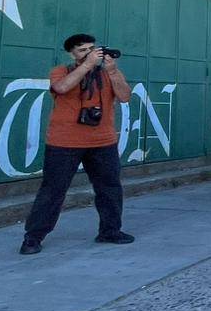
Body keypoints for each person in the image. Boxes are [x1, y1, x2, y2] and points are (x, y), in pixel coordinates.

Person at [20, 34, 134, 255]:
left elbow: (125, 96)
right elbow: (61, 88)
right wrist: (87, 65)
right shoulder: (61, 71)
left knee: (110, 188)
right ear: (72, 54)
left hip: (103, 141)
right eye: (83, 51)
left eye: (93, 49)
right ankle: (32, 238)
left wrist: (112, 71)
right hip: (64, 142)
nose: (90, 54)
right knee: (53, 191)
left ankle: (110, 231)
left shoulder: (106, 73)